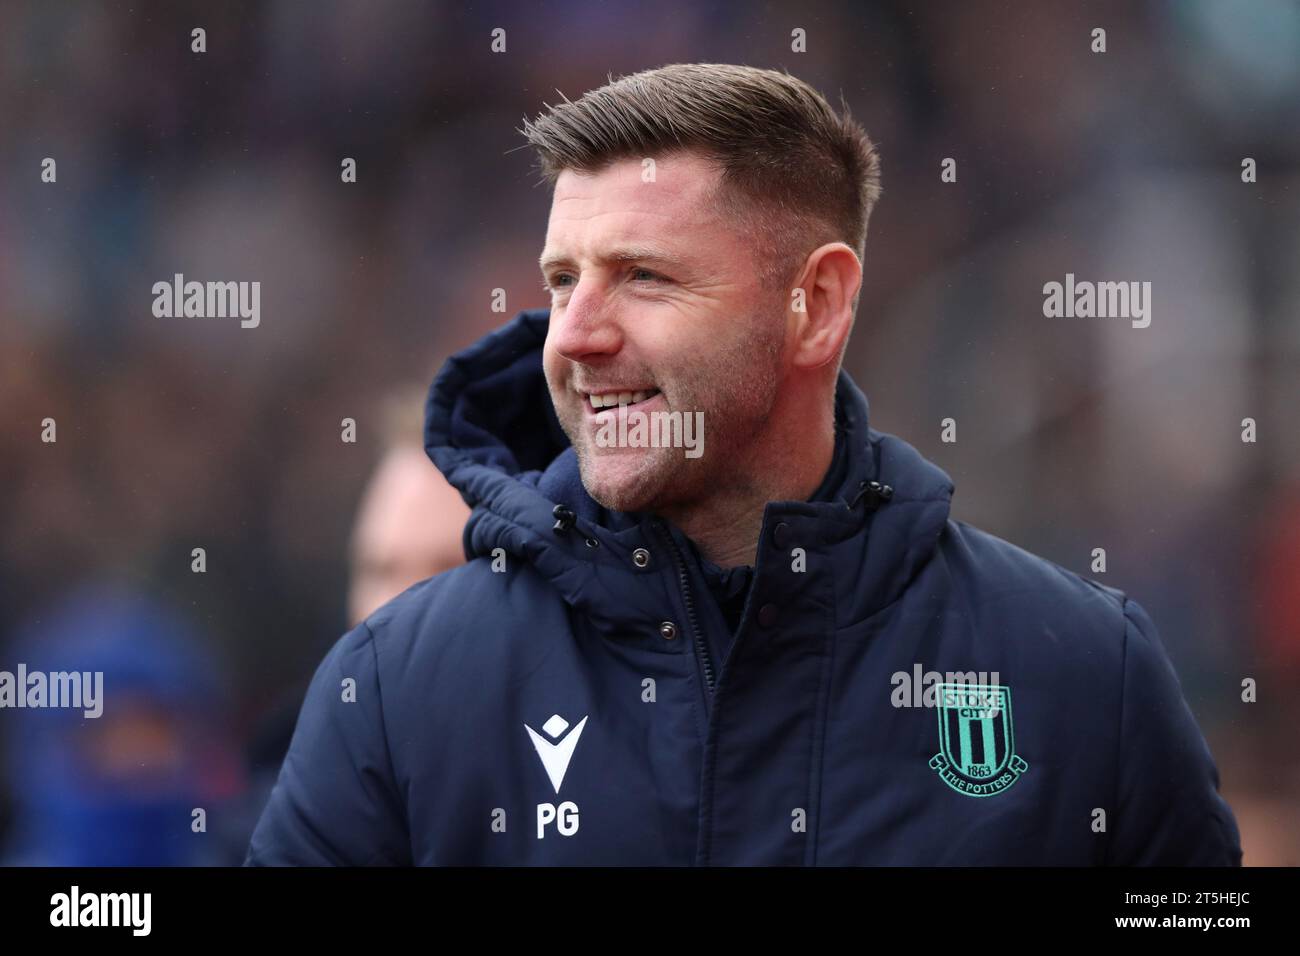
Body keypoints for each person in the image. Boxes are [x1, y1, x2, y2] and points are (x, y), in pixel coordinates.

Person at [246, 63, 1241, 865]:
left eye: (643, 275)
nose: (571, 335)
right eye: (560, 279)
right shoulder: (398, 686)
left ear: (817, 304)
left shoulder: (1079, 673)